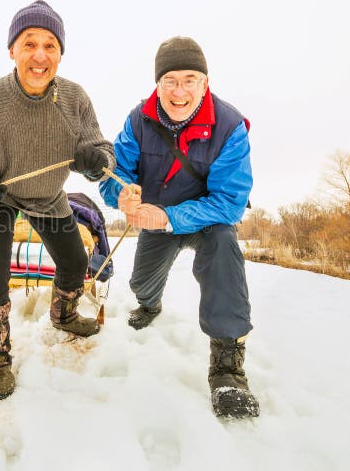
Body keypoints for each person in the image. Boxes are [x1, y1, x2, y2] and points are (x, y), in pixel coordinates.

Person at [0, 0, 115, 400]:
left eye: (50, 45)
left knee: (75, 260)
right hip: (2, 200)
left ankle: (62, 315)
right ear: (12, 50)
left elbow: (101, 150)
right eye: (29, 43)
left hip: (49, 195)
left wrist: (97, 161)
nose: (40, 55)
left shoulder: (75, 99)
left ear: (60, 53)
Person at [98, 36, 259, 419]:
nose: (179, 90)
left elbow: (230, 202)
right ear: (157, 84)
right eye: (170, 80)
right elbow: (113, 173)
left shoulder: (230, 127)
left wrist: (171, 217)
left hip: (206, 220)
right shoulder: (138, 120)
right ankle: (149, 304)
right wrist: (119, 194)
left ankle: (227, 368)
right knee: (141, 282)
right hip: (155, 218)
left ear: (205, 82)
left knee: (224, 248)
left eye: (190, 79)